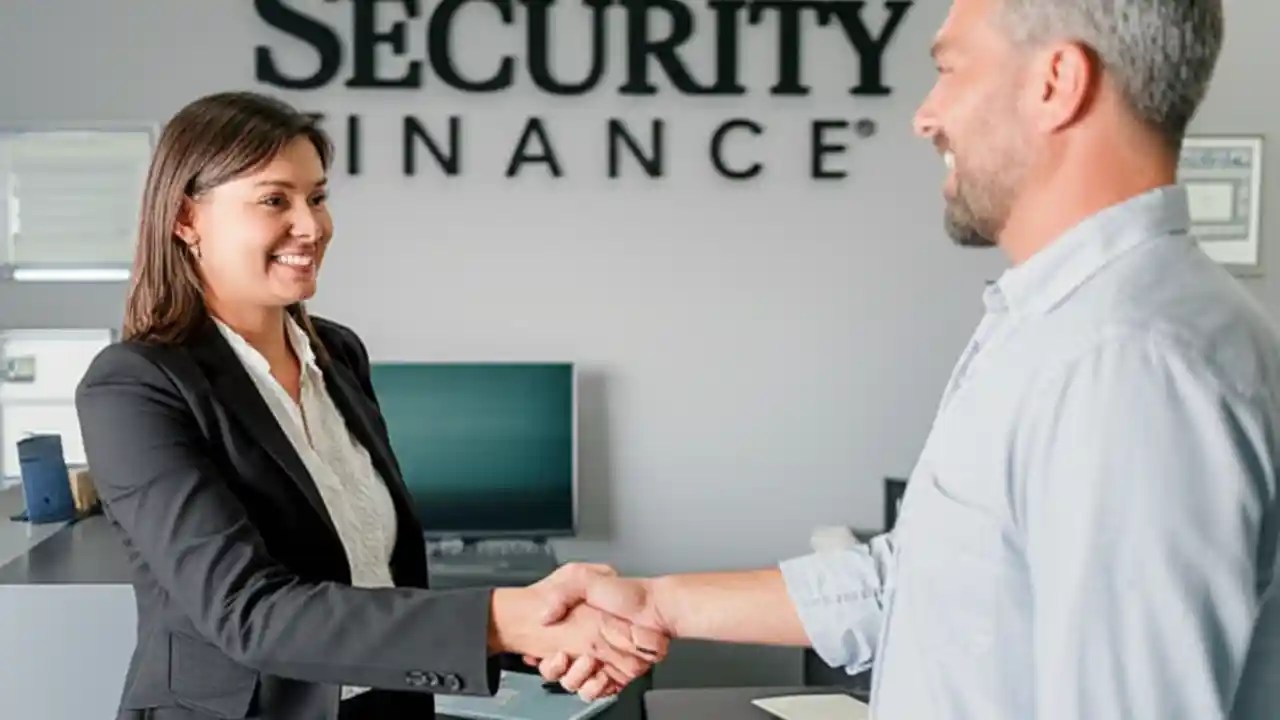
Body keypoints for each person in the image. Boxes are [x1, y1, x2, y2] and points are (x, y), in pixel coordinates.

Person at [531, 0, 1280, 717]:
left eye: (950, 69)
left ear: (1056, 84)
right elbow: (928, 580)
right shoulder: (1065, 330)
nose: (926, 116)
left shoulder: (1126, 365)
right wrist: (658, 604)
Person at [74, 91, 664, 720]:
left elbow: (377, 576)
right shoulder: (135, 387)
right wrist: (503, 622)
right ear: (187, 219)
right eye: (275, 200)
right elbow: (248, 612)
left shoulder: (337, 353)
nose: (312, 225)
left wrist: (543, 634)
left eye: (318, 197)